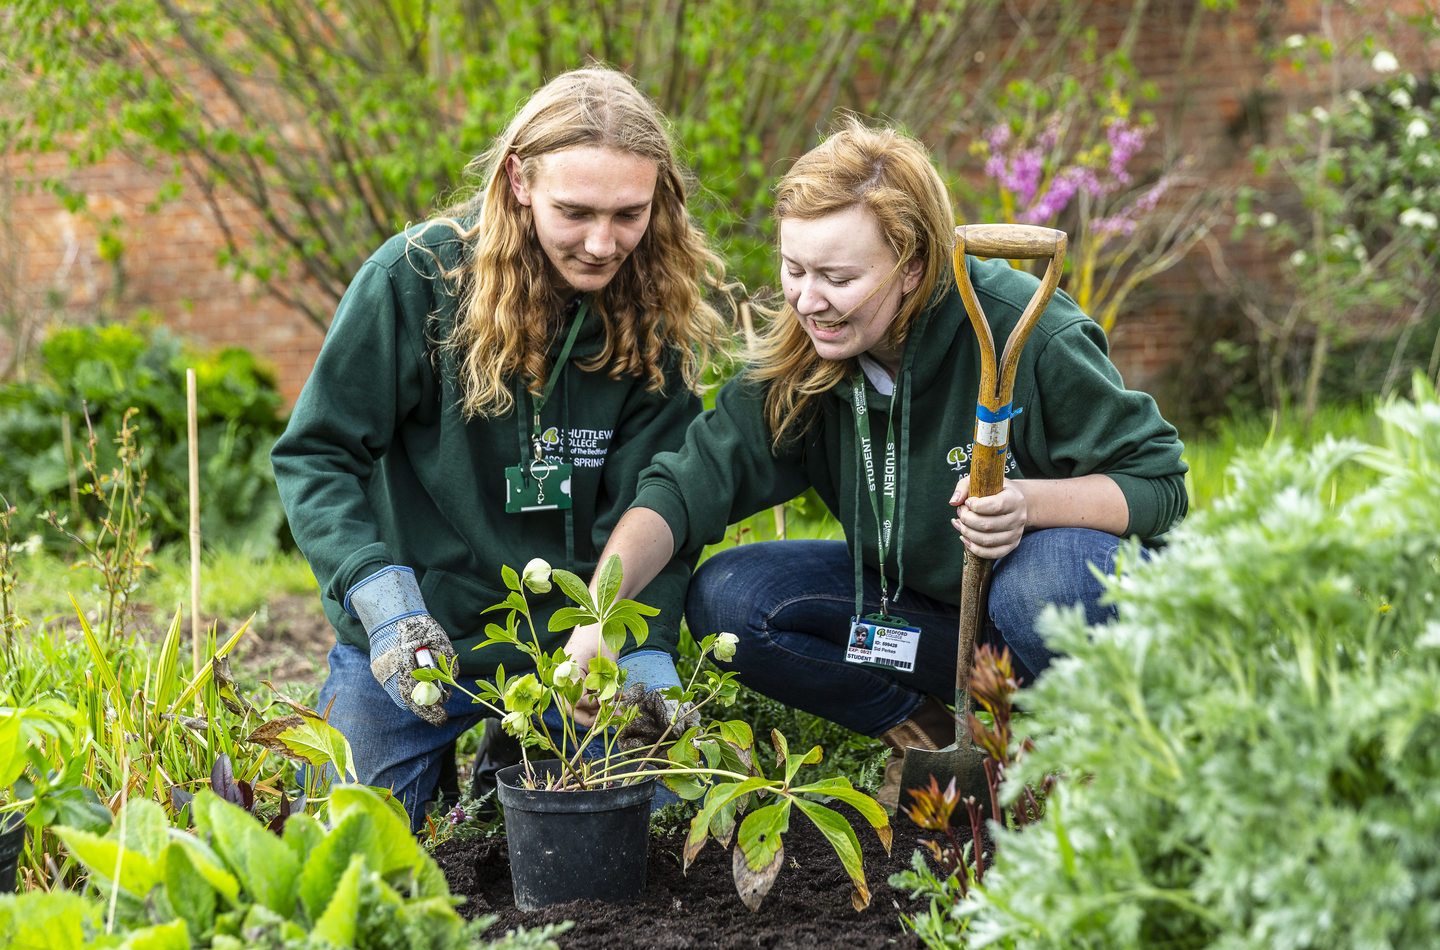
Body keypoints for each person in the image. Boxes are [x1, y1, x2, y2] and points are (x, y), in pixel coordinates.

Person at [563, 119, 1187, 812]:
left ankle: (1105, 766)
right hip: (936, 626)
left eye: (837, 277)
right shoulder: (807, 359)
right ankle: (934, 735)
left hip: (1054, 606)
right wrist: (600, 611)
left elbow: (1158, 485)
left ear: (913, 266)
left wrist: (1028, 504)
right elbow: (681, 489)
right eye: (794, 271)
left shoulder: (1023, 330)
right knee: (732, 598)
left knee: (1038, 586)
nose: (806, 300)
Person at [272, 67, 732, 829]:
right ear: (519, 179)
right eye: (575, 211)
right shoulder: (415, 280)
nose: (602, 242)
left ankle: (514, 755)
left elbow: (664, 501)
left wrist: (636, 646)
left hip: (579, 649)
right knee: (345, 841)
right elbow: (317, 456)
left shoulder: (651, 314)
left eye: (629, 214)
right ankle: (475, 745)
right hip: (420, 637)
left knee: (662, 819)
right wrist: (384, 605)